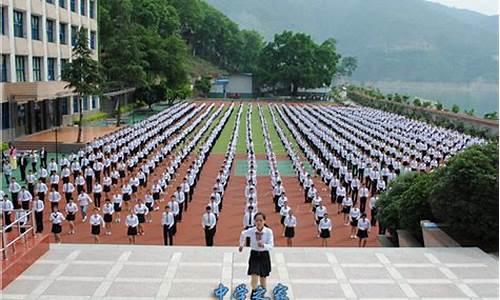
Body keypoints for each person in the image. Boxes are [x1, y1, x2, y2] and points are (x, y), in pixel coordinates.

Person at [238, 212, 274, 297]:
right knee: (254, 275)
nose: (259, 222)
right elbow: (243, 234)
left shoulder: (268, 232)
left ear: (264, 221)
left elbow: (271, 246)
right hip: (254, 254)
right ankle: (254, 292)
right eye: (257, 220)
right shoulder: (252, 230)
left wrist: (264, 245)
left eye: (260, 220)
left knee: (263, 278)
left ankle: (262, 294)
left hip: (264, 255)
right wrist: (241, 244)